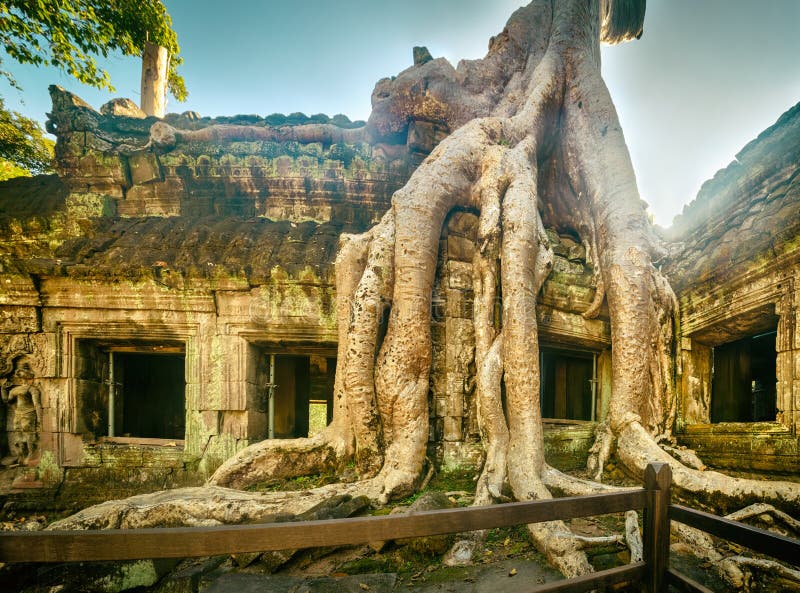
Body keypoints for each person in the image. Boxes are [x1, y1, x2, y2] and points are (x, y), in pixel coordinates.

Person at [0, 355, 42, 465]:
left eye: (24, 376)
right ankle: (22, 455)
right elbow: (7, 401)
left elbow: (37, 404)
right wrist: (3, 389)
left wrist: (39, 419)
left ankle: (31, 454)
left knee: (29, 434)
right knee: (18, 433)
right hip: (18, 413)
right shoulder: (15, 390)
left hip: (29, 412)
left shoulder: (32, 389)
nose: (22, 378)